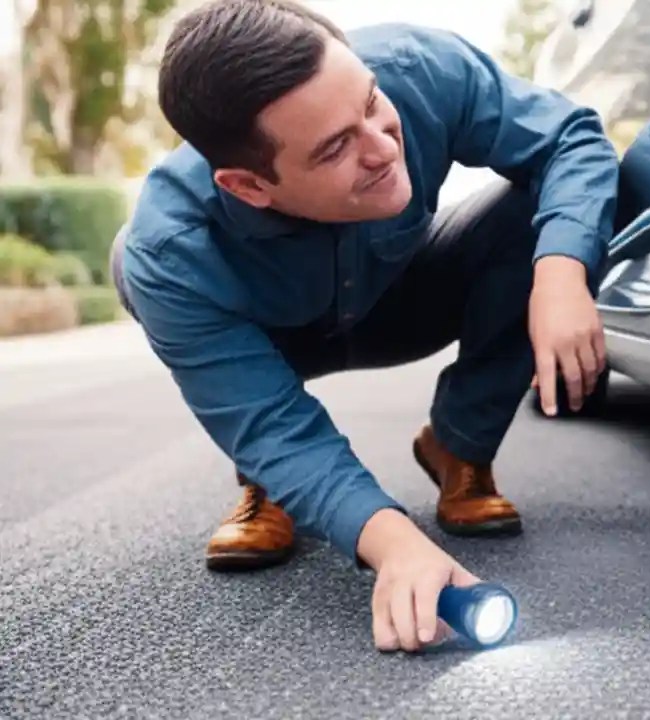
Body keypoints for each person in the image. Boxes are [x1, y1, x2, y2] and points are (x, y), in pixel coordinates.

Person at [108, 0, 618, 653]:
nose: (383, 147)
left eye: (372, 103)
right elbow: (267, 422)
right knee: (133, 269)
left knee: (549, 215)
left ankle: (460, 444)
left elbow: (570, 137)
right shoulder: (170, 250)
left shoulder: (418, 67)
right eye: (335, 148)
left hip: (402, 300)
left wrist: (562, 272)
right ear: (250, 186)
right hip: (278, 343)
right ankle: (274, 486)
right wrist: (396, 545)